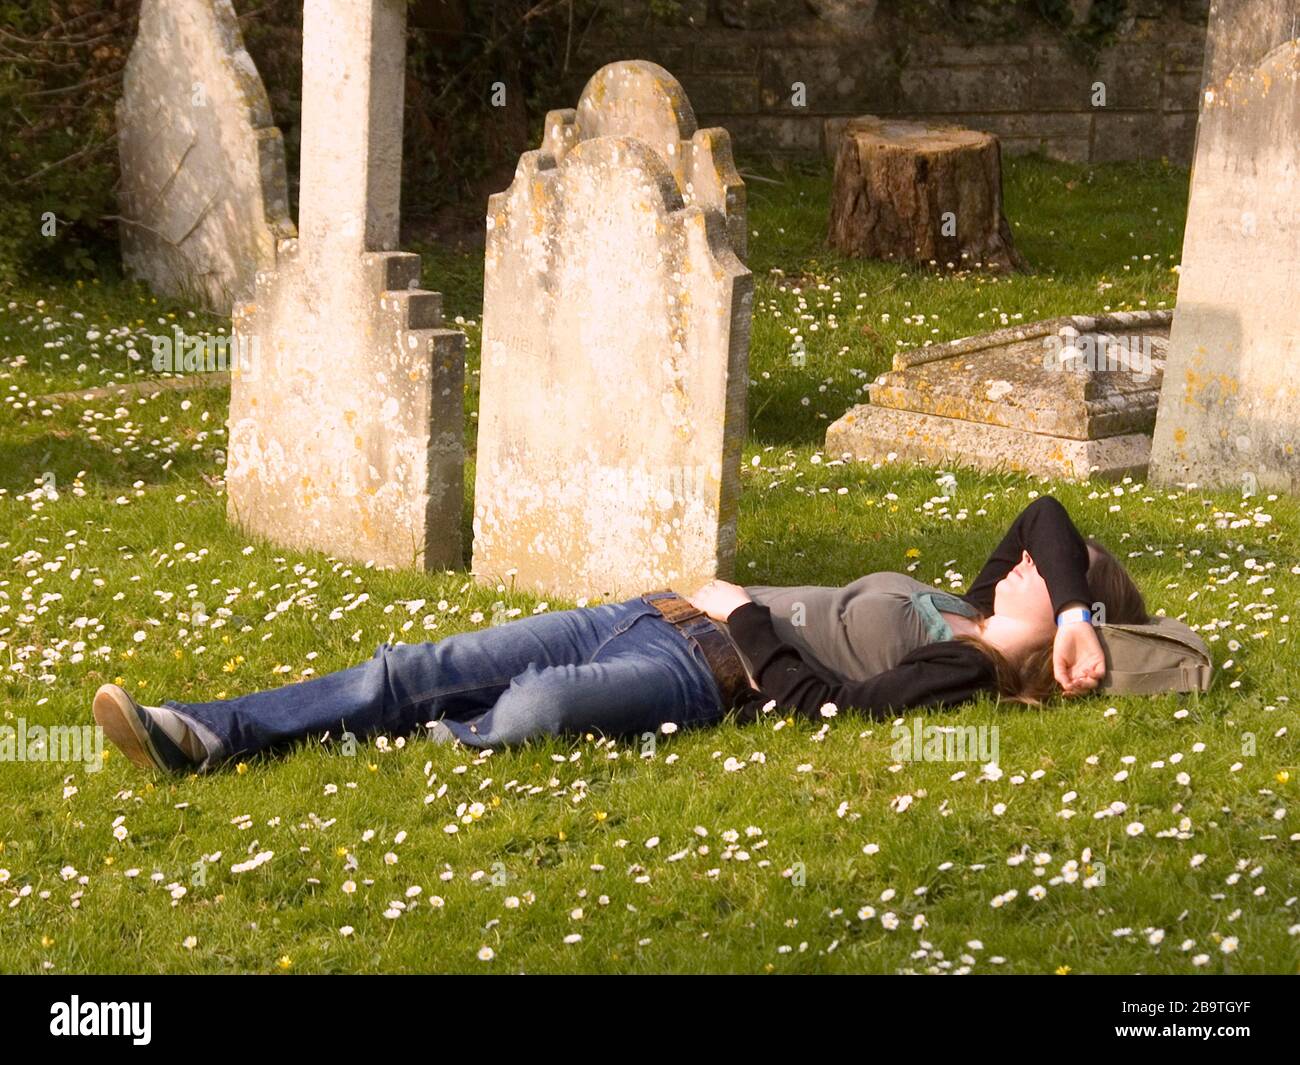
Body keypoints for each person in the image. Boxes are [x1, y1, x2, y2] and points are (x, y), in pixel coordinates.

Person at [92, 495, 1147, 773]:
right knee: (424, 663)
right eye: (1029, 573)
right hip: (649, 607)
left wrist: (741, 614)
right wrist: (1081, 609)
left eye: (1040, 583)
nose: (1017, 564)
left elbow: (834, 711)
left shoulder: (958, 669)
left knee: (532, 714)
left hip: (706, 662)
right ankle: (206, 732)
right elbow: (1046, 517)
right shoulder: (964, 600)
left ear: (1045, 628)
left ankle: (417, 739)